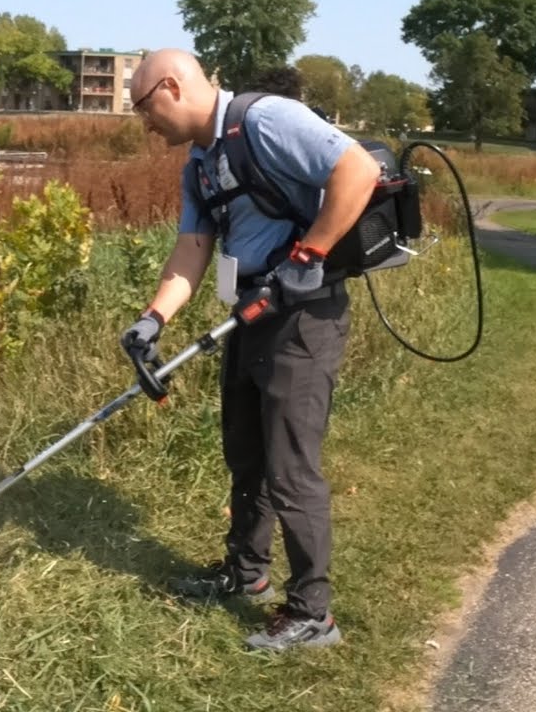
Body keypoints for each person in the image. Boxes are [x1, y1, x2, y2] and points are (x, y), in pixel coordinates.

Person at [121, 49, 380, 651]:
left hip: (303, 318)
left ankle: (313, 612)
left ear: (170, 86)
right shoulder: (200, 162)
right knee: (246, 451)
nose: (144, 124)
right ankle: (247, 573)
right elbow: (193, 248)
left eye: (143, 109)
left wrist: (308, 256)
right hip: (249, 315)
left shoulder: (266, 120)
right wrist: (151, 320)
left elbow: (357, 171)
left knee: (291, 466)